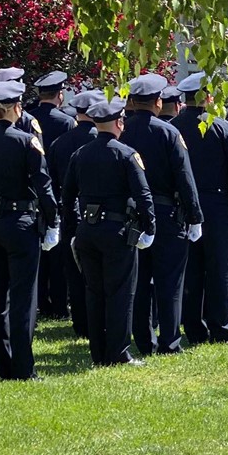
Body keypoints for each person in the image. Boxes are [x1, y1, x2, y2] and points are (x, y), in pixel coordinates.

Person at [0, 79, 59, 380]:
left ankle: (3, 366)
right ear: (17, 109)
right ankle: (23, 367)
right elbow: (43, 186)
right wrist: (53, 222)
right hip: (21, 223)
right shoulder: (26, 141)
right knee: (22, 298)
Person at [65, 98, 156, 366]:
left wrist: (73, 228)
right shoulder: (126, 154)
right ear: (119, 123)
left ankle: (99, 352)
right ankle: (118, 353)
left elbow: (67, 197)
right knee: (120, 293)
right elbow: (143, 195)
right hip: (117, 231)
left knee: (94, 293)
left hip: (87, 231)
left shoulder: (80, 153)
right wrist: (149, 227)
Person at [121, 74, 204, 356]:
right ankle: (170, 341)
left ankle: (144, 340)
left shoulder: (123, 131)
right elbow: (185, 177)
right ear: (158, 102)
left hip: (131, 214)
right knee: (170, 281)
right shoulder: (169, 132)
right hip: (167, 212)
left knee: (140, 281)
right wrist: (195, 216)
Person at [173, 72, 228, 344]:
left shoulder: (173, 127)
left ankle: (194, 329)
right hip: (219, 205)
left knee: (192, 270)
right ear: (208, 97)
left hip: (185, 205)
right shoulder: (221, 127)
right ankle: (221, 327)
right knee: (221, 269)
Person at [47, 89, 105, 340]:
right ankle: (100, 322)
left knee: (74, 272)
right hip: (99, 213)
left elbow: (52, 180)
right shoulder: (101, 140)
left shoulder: (59, 142)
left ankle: (81, 323)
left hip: (69, 211)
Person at [28, 71, 78, 320]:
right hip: (56, 188)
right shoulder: (66, 122)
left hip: (31, 189)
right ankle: (58, 304)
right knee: (57, 254)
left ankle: (39, 302)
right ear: (60, 95)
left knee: (37, 253)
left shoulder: (28, 117)